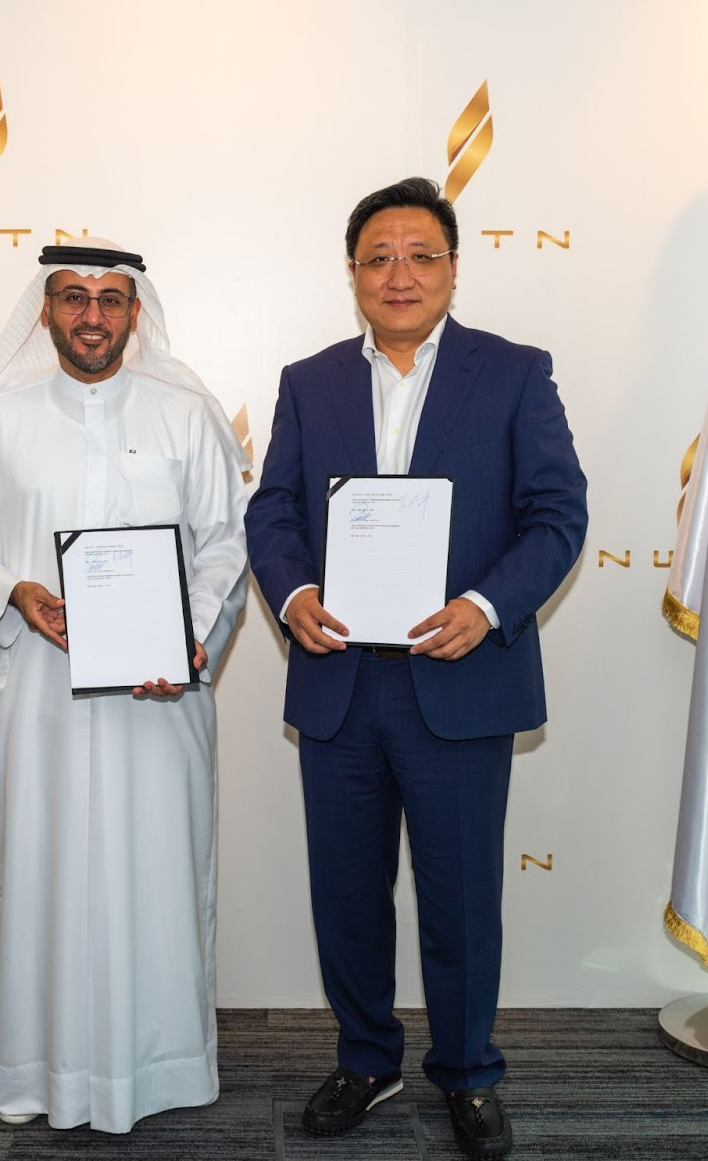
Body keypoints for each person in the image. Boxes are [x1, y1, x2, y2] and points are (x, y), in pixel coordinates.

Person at [244, 178, 587, 1159]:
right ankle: (365, 1058)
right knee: (347, 893)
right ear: (353, 272)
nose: (400, 275)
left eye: (421, 255)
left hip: (461, 678)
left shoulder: (513, 372)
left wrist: (486, 607)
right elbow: (272, 511)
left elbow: (557, 514)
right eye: (379, 257)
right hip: (341, 680)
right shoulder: (308, 381)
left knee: (461, 899)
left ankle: (469, 1071)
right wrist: (293, 593)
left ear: (452, 268)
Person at [0, 238, 249, 1133]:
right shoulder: (2, 418)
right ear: (46, 311)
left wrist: (190, 638)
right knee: (46, 880)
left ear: (135, 312)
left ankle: (165, 1070)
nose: (92, 316)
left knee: (161, 875)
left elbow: (225, 543)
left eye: (110, 299)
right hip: (42, 696)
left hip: (161, 698)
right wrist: (13, 592)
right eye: (73, 297)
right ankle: (49, 1074)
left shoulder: (185, 415)